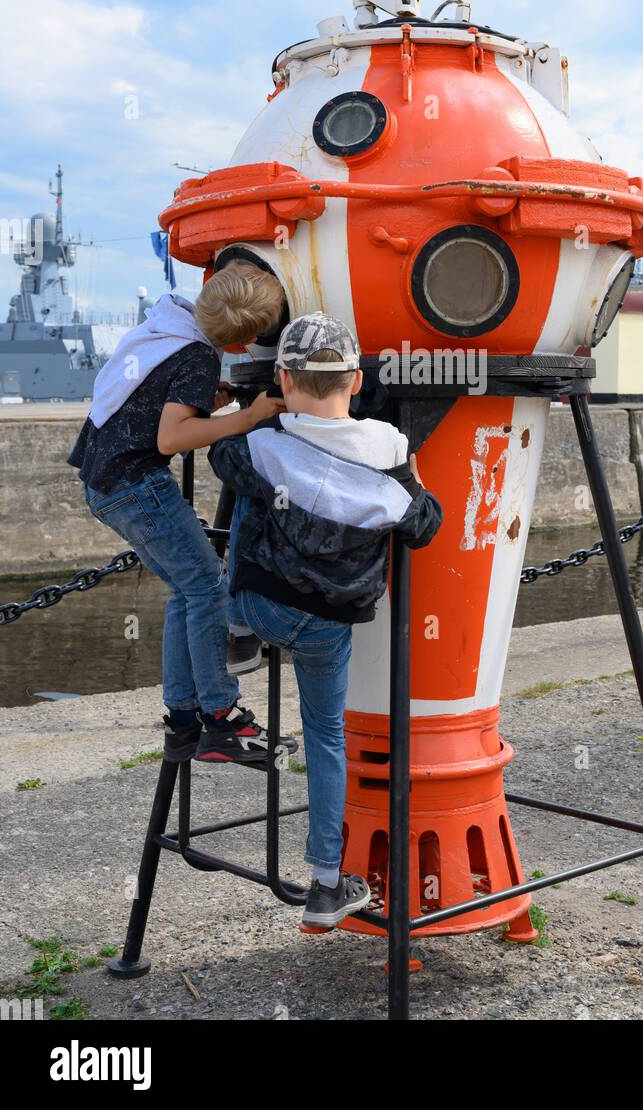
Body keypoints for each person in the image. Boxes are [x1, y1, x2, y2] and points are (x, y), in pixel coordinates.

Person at [209, 311, 442, 930]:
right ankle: (324, 886)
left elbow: (221, 460)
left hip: (262, 604)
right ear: (358, 379)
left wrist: (257, 412)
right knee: (325, 739)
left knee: (235, 524)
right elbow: (423, 524)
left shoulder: (263, 444)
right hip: (329, 624)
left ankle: (235, 640)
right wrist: (410, 475)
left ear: (283, 379)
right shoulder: (389, 451)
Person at [68, 262, 295, 766]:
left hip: (104, 482)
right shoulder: (197, 355)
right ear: (243, 341)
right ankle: (220, 719)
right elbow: (170, 438)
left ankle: (182, 716)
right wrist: (250, 415)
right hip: (138, 486)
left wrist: (201, 404)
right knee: (209, 588)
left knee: (188, 591)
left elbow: (149, 402)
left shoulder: (165, 326)